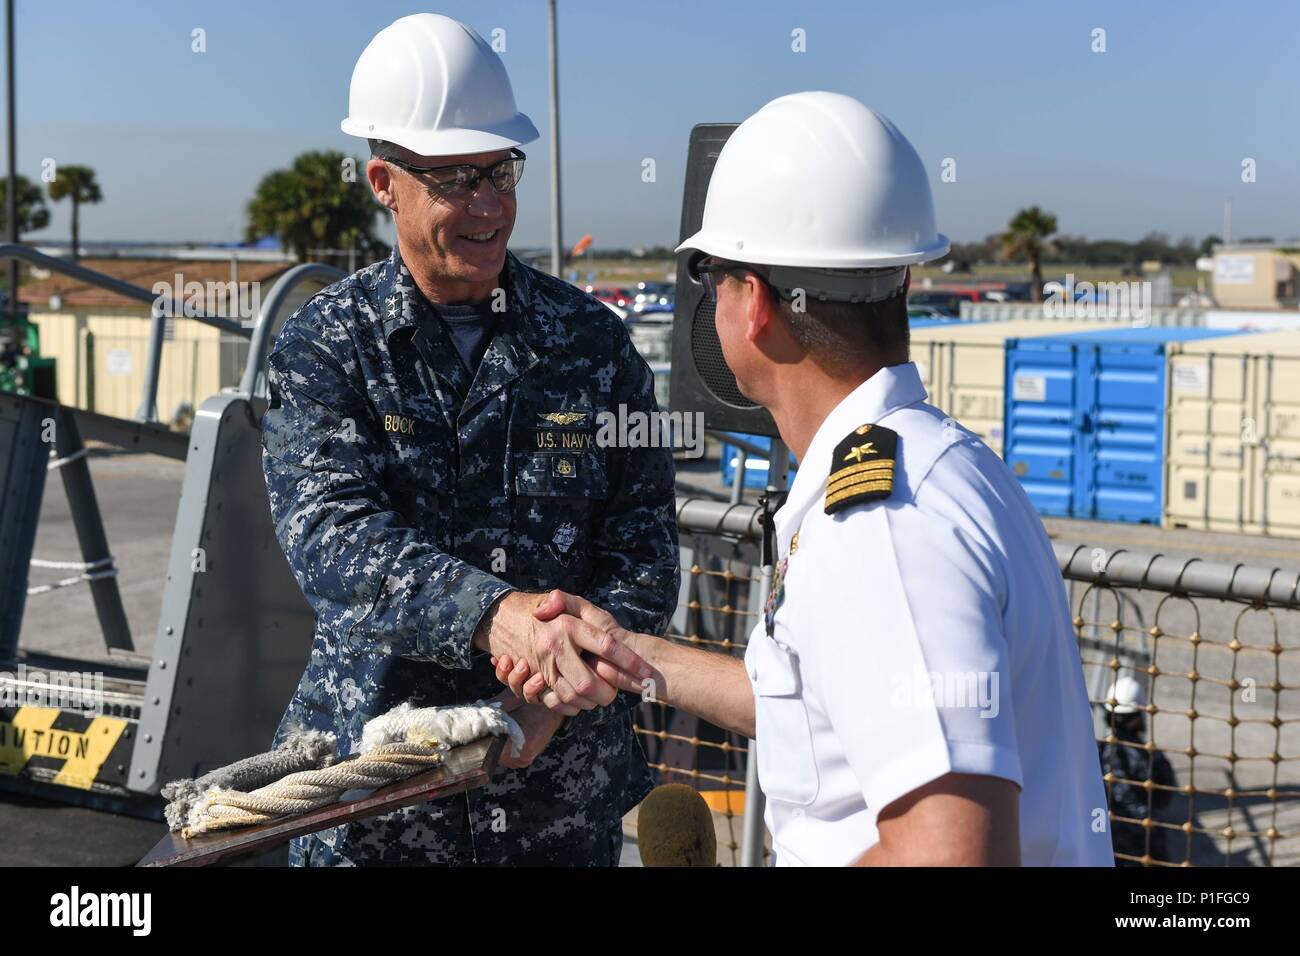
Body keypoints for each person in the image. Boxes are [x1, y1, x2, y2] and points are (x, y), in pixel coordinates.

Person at [495, 91, 1113, 866]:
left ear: (752, 302)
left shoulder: (880, 525)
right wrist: (624, 652)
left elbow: (951, 853)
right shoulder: (935, 463)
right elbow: (820, 700)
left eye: (712, 273)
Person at [261, 13, 678, 866]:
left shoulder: (590, 342)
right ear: (385, 181)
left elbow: (645, 548)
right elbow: (331, 538)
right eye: (455, 179)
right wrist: (495, 617)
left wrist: (558, 691)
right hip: (375, 803)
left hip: (554, 803)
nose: (489, 205)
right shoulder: (326, 347)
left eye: (501, 171)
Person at [1097, 677, 1176, 866]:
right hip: (1145, 840)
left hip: (1105, 837)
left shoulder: (1096, 751)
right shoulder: (1149, 756)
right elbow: (1166, 794)